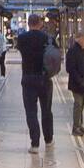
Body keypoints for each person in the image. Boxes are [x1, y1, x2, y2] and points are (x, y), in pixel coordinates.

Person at [15, 13, 53, 152]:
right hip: (45, 78)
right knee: (46, 110)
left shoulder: (22, 38)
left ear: (28, 23)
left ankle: (35, 144)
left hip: (28, 78)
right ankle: (48, 140)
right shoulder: (47, 38)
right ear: (40, 23)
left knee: (31, 111)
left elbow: (20, 50)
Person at [65, 32, 84, 137]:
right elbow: (70, 69)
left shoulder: (83, 51)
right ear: (80, 39)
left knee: (82, 105)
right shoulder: (72, 51)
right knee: (78, 104)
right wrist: (80, 81)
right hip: (77, 84)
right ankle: (75, 127)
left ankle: (79, 125)